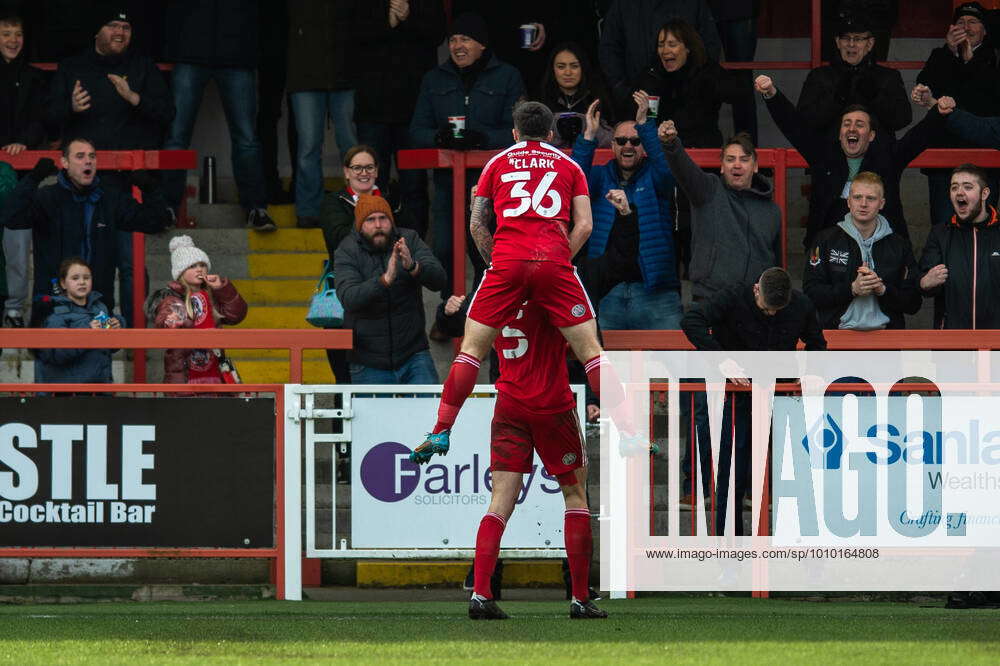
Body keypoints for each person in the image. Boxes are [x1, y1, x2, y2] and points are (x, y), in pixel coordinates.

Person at [411, 101, 637, 468]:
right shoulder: (569, 165)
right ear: (550, 134)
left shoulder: (496, 163)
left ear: (514, 133)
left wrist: (496, 263)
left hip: (507, 260)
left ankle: (441, 429)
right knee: (591, 351)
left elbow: (477, 224)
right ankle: (629, 431)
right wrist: (557, 258)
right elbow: (585, 226)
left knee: (471, 350)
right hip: (553, 259)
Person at [463, 299, 606, 620]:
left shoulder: (497, 289)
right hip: (551, 404)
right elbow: (584, 344)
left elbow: (473, 344)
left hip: (510, 402)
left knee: (499, 500)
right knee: (575, 495)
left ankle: (481, 592)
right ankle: (580, 598)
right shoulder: (552, 285)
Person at [681, 267, 827, 535]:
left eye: (777, 311)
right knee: (730, 476)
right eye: (767, 308)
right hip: (736, 398)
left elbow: (817, 342)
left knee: (793, 471)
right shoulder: (732, 297)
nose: (771, 314)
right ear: (756, 288)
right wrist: (722, 360)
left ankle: (799, 550)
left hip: (779, 397)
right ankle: (731, 558)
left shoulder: (801, 304)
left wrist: (812, 372)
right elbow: (692, 321)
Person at [754, 74, 954, 247]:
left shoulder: (888, 157)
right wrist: (771, 94)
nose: (852, 129)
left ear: (872, 135)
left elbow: (916, 138)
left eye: (860, 125)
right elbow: (794, 126)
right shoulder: (823, 154)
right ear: (840, 134)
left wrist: (939, 113)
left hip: (882, 244)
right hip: (827, 244)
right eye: (846, 124)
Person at [409, 12, 525, 296]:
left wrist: (482, 138)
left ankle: (479, 311)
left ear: (482, 45)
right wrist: (440, 138)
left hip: (493, 184)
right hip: (448, 185)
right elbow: (416, 131)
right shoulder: (434, 79)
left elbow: (519, 129)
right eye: (453, 40)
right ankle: (451, 311)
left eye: (466, 39)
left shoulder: (508, 76)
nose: (458, 45)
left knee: (484, 251)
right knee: (444, 249)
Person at [1, 140, 169, 323]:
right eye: (80, 156)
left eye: (92, 156)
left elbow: (157, 222)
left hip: (98, 310)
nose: (88, 161)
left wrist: (150, 187)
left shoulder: (110, 199)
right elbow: (11, 218)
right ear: (65, 163)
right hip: (52, 311)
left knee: (100, 349)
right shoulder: (47, 198)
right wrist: (33, 179)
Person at [162, 0, 278, 232]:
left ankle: (256, 208)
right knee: (176, 136)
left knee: (246, 138)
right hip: (190, 51)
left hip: (236, 55)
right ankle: (167, 207)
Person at [571, 94, 681, 330]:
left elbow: (669, 172)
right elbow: (572, 182)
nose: (628, 145)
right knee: (606, 366)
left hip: (655, 290)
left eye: (635, 140)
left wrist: (646, 126)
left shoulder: (656, 175)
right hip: (608, 290)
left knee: (672, 364)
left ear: (644, 147)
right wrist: (588, 137)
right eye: (621, 141)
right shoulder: (600, 177)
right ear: (612, 146)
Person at [318, 145, 418, 382]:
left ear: (377, 171)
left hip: (391, 296)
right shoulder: (333, 202)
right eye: (357, 167)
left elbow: (412, 235)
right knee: (343, 378)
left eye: (369, 167)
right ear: (346, 172)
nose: (363, 173)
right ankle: (341, 420)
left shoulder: (391, 200)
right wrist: (371, 212)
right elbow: (338, 238)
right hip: (346, 292)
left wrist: (390, 207)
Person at [658, 119, 780, 302]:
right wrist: (671, 144)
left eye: (744, 160)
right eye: (730, 160)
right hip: (710, 298)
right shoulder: (708, 190)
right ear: (722, 167)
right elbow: (684, 170)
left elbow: (775, 264)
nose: (737, 165)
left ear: (755, 167)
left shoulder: (772, 211)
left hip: (755, 305)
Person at [354, 0, 444, 237]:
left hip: (413, 107)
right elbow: (352, 33)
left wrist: (409, 18)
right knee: (371, 183)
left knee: (414, 186)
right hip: (372, 106)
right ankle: (372, 249)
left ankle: (414, 248)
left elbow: (439, 34)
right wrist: (388, 22)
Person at [334, 194, 445, 384]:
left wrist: (413, 266)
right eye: (370, 219)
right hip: (367, 360)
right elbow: (349, 298)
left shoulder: (409, 239)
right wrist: (384, 280)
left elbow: (439, 280)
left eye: (383, 218)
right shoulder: (347, 249)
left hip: (414, 354)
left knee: (430, 414)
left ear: (391, 221)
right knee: (372, 416)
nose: (378, 225)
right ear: (360, 225)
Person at [915, 1, 1000, 227]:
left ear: (984, 30)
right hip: (944, 158)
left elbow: (989, 99)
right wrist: (950, 52)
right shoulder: (940, 55)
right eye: (960, 22)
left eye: (972, 22)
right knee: (945, 225)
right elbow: (924, 83)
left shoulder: (995, 58)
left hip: (984, 157)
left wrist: (971, 61)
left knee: (982, 225)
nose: (966, 27)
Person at [802, 171, 921, 330]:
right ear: (849, 201)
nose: (863, 203)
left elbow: (913, 303)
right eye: (857, 197)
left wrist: (883, 290)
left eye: (871, 198)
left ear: (882, 203)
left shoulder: (899, 245)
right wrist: (852, 289)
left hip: (887, 340)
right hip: (837, 337)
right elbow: (811, 292)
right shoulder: (825, 240)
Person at [45, 9, 173, 151]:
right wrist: (71, 107)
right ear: (97, 32)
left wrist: (135, 98)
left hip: (132, 165)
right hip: (83, 164)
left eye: (126, 27)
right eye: (113, 26)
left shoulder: (144, 66)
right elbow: (49, 118)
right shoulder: (71, 67)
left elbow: (167, 113)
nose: (120, 32)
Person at [286, 0, 359, 229]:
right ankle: (308, 210)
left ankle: (359, 205)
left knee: (350, 146)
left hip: (345, 72)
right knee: (308, 146)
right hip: (304, 74)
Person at [633, 19, 749, 149]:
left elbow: (740, 94)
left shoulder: (707, 71)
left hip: (701, 151)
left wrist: (711, 84)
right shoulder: (652, 76)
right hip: (662, 151)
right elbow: (648, 117)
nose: (665, 50)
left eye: (672, 44)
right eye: (661, 45)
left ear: (688, 47)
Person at [0, 12, 46, 329]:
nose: (13, 40)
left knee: (17, 247)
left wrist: (24, 143)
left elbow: (41, 120)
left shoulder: (33, 76)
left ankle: (14, 310)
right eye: (5, 34)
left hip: (19, 174)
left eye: (17, 34)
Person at [600, 0, 722, 117]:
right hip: (640, 98)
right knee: (648, 131)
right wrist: (621, 89)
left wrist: (698, 86)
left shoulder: (694, 3)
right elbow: (609, 49)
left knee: (686, 134)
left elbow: (709, 46)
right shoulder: (623, 4)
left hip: (688, 102)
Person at [152, 235, 248, 384]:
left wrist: (222, 288)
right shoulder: (172, 297)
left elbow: (236, 315)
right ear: (180, 272)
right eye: (192, 266)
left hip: (215, 372)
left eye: (202, 265)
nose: (199, 269)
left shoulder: (211, 295)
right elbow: (163, 319)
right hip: (184, 376)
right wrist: (170, 321)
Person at [798, 12, 910, 137]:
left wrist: (876, 98)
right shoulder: (819, 76)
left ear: (870, 44)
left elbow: (902, 120)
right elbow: (803, 122)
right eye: (846, 38)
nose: (851, 44)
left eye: (858, 39)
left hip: (878, 154)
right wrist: (836, 100)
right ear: (838, 42)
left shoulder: (888, 77)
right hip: (829, 154)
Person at [919, 163, 1000, 329]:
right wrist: (925, 282)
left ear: (984, 193)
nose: (959, 192)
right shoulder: (940, 233)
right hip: (952, 341)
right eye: (954, 187)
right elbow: (923, 285)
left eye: (968, 187)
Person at [36, 257, 123, 384]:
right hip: (70, 393)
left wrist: (116, 328)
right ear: (63, 283)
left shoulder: (100, 308)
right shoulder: (54, 312)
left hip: (101, 387)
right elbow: (56, 355)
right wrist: (87, 333)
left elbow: (110, 348)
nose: (82, 282)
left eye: (86, 278)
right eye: (75, 278)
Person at [537, 42, 614, 148]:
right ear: (552, 69)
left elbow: (612, 140)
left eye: (574, 66)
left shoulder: (598, 99)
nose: (568, 72)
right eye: (561, 67)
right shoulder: (541, 101)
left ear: (583, 68)